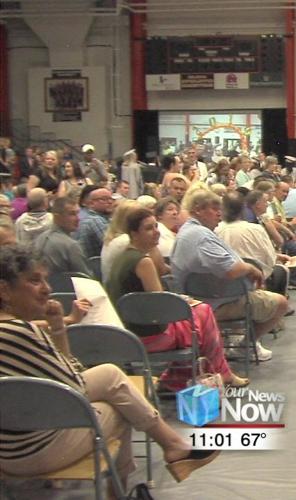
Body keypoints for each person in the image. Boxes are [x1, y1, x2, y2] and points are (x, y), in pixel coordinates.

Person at [0, 244, 220, 485]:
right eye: (35, 281)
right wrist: (60, 329)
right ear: (4, 290)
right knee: (121, 404)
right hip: (29, 452)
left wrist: (57, 326)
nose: (47, 289)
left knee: (111, 379)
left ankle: (170, 447)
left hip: (9, 445)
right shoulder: (23, 333)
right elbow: (75, 388)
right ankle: (130, 480)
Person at [105, 207, 248, 389]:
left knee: (200, 316)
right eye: (149, 229)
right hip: (148, 337)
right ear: (133, 233)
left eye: (156, 226)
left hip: (127, 334)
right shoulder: (143, 262)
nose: (156, 232)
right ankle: (220, 372)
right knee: (203, 312)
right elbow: (162, 307)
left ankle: (181, 377)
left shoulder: (123, 257)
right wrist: (184, 302)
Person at [171, 189, 288, 362]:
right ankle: (246, 345)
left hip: (198, 299)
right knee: (281, 303)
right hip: (215, 303)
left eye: (220, 208)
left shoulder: (187, 232)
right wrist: (250, 268)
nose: (219, 213)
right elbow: (231, 270)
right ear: (197, 209)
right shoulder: (201, 235)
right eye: (213, 208)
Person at [31, 197, 90, 276]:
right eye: (72, 214)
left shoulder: (40, 238)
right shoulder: (71, 246)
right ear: (57, 217)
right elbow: (87, 280)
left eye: (77, 213)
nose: (78, 219)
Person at [75, 187, 114, 259]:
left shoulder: (96, 218)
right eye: (104, 199)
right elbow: (112, 247)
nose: (110, 202)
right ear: (91, 203)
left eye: (111, 198)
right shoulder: (94, 220)